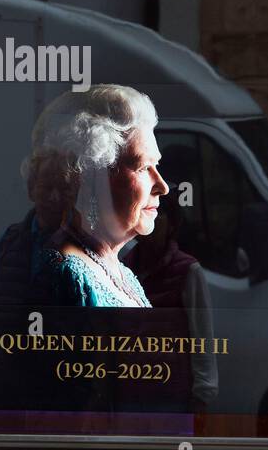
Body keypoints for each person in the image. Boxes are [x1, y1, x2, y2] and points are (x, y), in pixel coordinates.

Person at [28, 84, 169, 307]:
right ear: (93, 179)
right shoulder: (70, 275)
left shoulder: (118, 270)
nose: (163, 186)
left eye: (157, 165)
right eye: (143, 168)